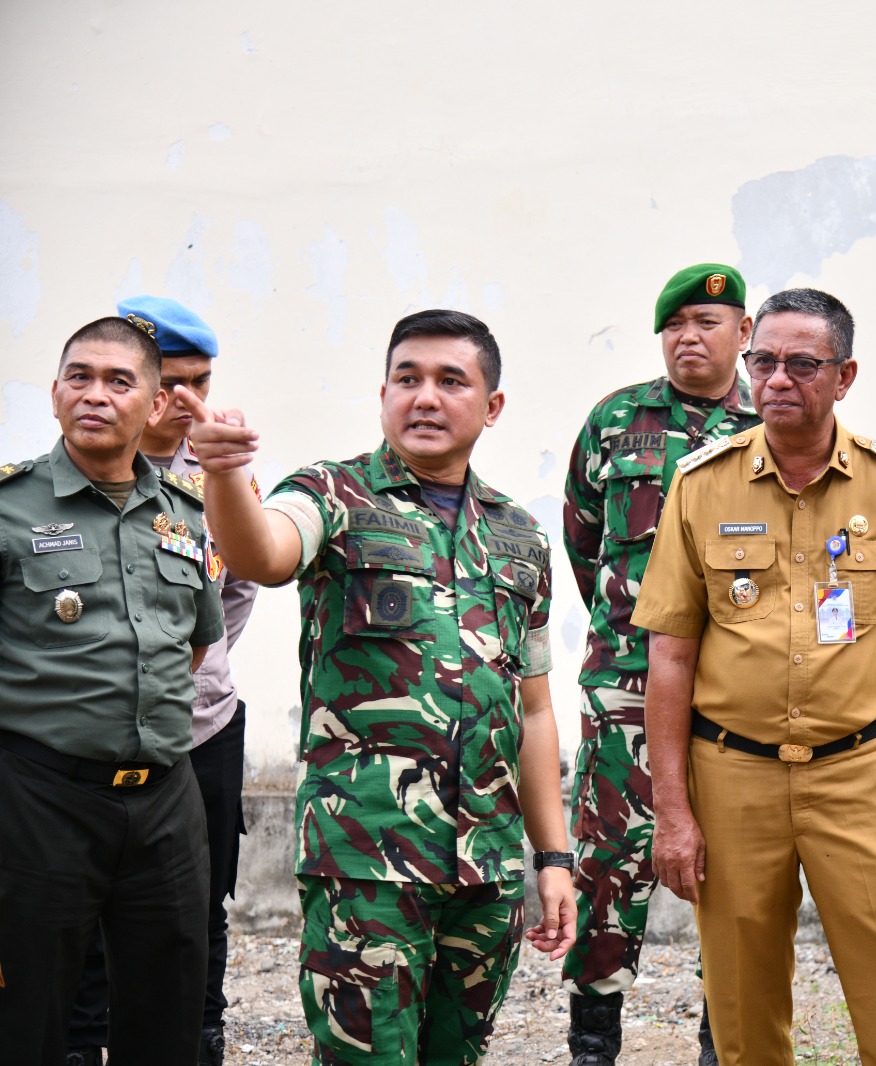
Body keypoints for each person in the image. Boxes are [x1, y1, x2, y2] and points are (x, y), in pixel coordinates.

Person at [178, 309, 576, 1064]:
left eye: (450, 381)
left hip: (486, 867)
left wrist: (553, 859)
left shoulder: (519, 534)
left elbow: (534, 707)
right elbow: (263, 551)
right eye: (408, 379)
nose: (425, 397)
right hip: (367, 861)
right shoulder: (333, 494)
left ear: (491, 407)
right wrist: (226, 475)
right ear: (384, 393)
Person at [633, 288, 876, 1065]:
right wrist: (673, 812)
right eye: (764, 361)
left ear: (844, 374)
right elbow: (671, 659)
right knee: (743, 1012)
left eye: (803, 363)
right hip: (732, 780)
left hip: (858, 778)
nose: (778, 379)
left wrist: (869, 699)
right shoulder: (700, 486)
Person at [0, 315, 223, 1065]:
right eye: (79, 377)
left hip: (164, 803)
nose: (95, 394)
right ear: (56, 394)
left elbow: (193, 645)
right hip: (38, 798)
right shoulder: (10, 510)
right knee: (25, 1017)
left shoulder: (186, 513)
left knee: (168, 1012)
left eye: (119, 381)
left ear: (156, 404)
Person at [561, 263, 759, 1064]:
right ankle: (593, 1040)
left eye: (707, 323)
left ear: (743, 332)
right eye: (675, 325)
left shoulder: (770, 423)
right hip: (625, 690)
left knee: (737, 866)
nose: (688, 338)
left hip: (734, 690)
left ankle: (725, 1037)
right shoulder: (617, 421)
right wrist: (630, 630)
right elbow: (584, 541)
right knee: (608, 865)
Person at [60, 297, 262, 1066]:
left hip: (198, 728)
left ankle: (200, 1035)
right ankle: (81, 1042)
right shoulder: (70, 477)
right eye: (172, 384)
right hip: (80, 740)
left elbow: (236, 588)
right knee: (75, 906)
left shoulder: (215, 475)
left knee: (196, 905)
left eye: (201, 383)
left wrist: (182, 674)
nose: (188, 405)